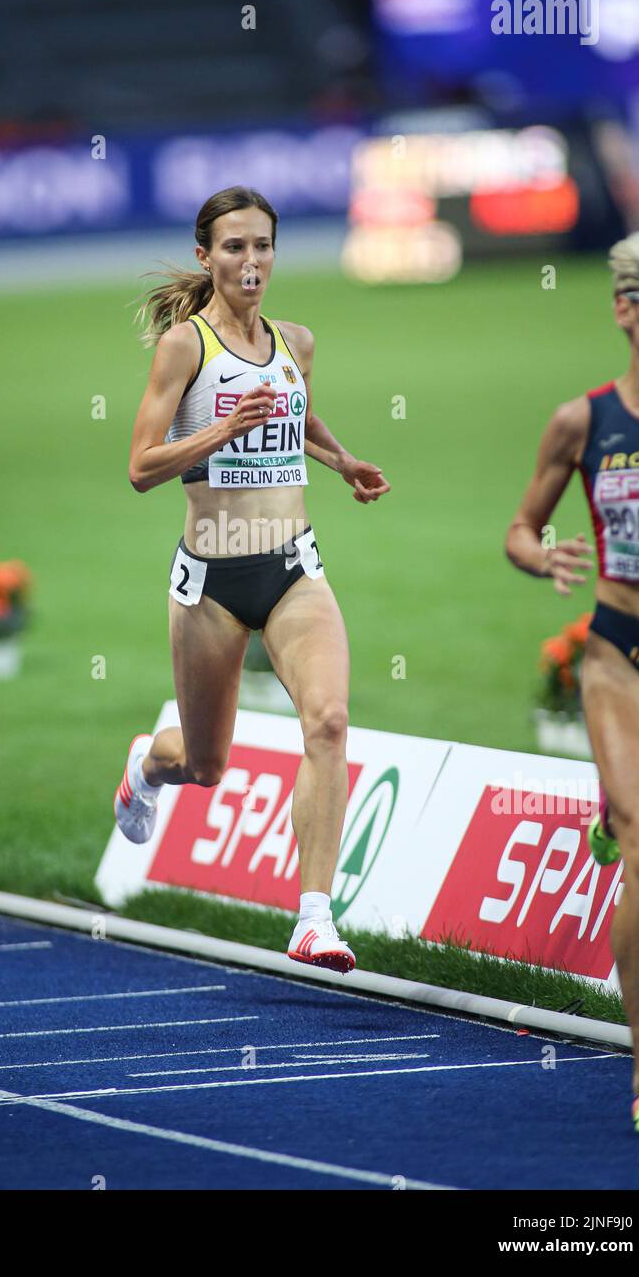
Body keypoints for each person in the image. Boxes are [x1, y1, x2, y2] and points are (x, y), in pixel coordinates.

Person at [114, 185, 390, 972]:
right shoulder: (185, 348)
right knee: (205, 767)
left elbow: (295, 414)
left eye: (262, 245)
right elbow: (139, 470)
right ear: (206, 256)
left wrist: (340, 461)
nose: (251, 261)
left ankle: (313, 918)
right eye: (234, 247)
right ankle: (145, 767)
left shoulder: (296, 339)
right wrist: (219, 429)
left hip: (293, 566)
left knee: (329, 722)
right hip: (210, 584)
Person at [506, 228, 639, 1135]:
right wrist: (545, 560)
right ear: (624, 310)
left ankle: (616, 806)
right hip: (622, 655)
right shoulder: (584, 421)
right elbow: (519, 530)